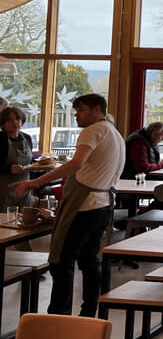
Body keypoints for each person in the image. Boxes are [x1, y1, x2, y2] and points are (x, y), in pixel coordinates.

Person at [15, 94, 124, 316]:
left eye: (80, 110)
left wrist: (34, 182)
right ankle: (88, 311)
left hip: (85, 205)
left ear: (95, 110)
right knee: (89, 260)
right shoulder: (115, 133)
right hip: (103, 205)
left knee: (61, 261)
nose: (76, 114)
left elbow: (76, 163)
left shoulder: (93, 130)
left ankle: (58, 315)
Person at [1, 106, 34, 210]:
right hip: (4, 189)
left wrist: (40, 165)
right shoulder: (0, 139)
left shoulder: (27, 138)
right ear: (3, 123)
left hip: (24, 187)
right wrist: (9, 168)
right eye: (10, 120)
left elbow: (30, 162)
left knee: (24, 220)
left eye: (17, 119)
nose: (14, 122)